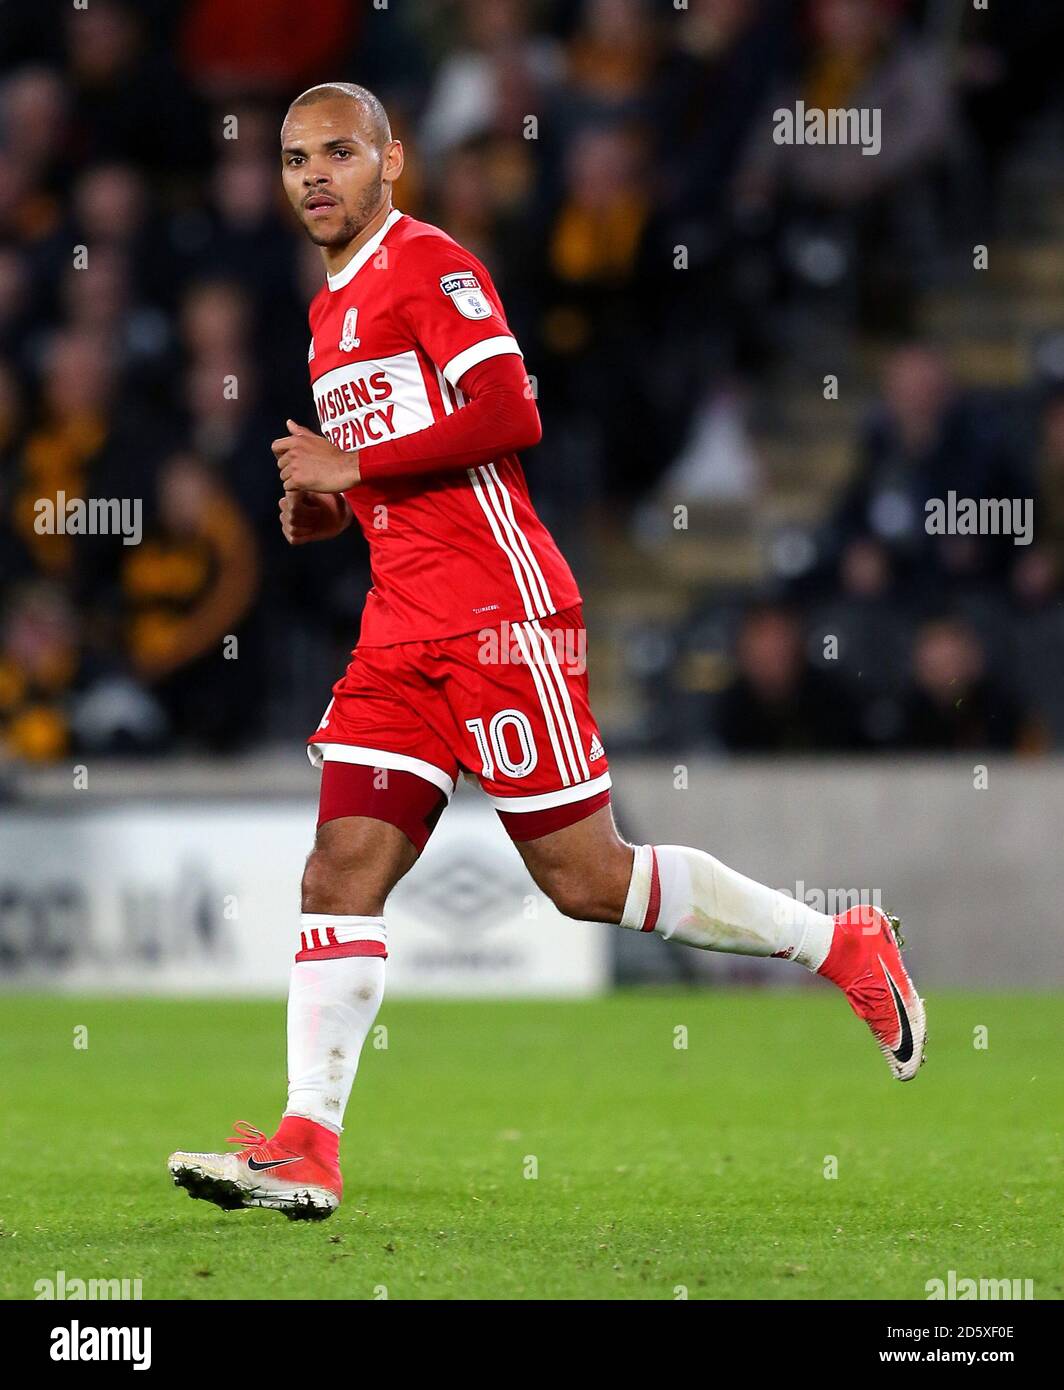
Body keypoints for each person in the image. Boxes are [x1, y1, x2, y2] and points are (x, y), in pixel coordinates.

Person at [168, 82, 925, 1222]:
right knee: (338, 875)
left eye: (336, 151)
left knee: (585, 880)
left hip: (497, 615)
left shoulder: (429, 264)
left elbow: (509, 410)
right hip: (398, 630)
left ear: (391, 162)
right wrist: (339, 508)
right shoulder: (327, 309)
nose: (312, 173)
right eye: (291, 157)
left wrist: (354, 470)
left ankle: (839, 942)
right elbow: (402, 463)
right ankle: (306, 1144)